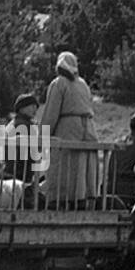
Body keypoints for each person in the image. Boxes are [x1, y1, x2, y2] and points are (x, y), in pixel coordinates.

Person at [38, 51, 99, 209]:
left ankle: (62, 200)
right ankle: (84, 198)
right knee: (83, 167)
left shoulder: (59, 83)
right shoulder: (83, 84)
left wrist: (42, 137)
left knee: (64, 167)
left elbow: (51, 113)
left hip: (68, 129)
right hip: (88, 128)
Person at [3, 93, 39, 183]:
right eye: (31, 106)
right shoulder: (23, 124)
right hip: (21, 173)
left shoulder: (13, 123)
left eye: (36, 106)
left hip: (11, 171)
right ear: (21, 108)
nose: (35, 109)